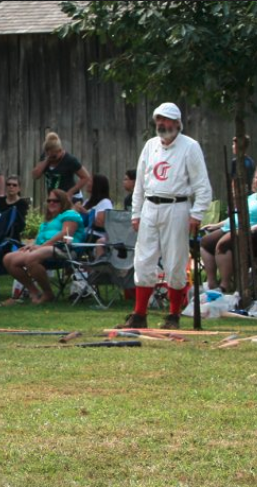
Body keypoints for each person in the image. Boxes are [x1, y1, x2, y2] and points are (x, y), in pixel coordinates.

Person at [120, 103, 212, 330]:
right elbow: (140, 183)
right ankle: (139, 314)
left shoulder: (190, 147)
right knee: (143, 260)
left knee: (175, 261)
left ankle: (173, 316)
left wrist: (197, 213)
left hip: (177, 206)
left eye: (167, 120)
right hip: (151, 206)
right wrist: (136, 213)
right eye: (159, 120)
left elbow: (202, 185)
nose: (162, 124)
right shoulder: (151, 146)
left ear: (177, 123)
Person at [0, 189, 83, 305]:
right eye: (49, 200)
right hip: (44, 250)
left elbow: (65, 233)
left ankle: (48, 293)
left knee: (31, 258)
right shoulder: (46, 222)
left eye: (55, 201)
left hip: (64, 250)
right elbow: (38, 240)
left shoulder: (70, 214)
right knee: (8, 258)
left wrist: (41, 247)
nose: (51, 203)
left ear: (63, 202)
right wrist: (31, 246)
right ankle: (34, 292)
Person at [200, 171, 257, 293]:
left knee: (223, 244)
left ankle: (225, 285)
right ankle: (211, 283)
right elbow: (235, 216)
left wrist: (253, 228)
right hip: (230, 227)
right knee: (205, 242)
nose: (254, 181)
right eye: (254, 177)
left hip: (248, 231)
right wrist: (216, 225)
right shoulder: (251, 197)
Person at [32, 132, 91, 200]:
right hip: (55, 199)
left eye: (54, 156)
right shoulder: (46, 157)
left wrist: (70, 192)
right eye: (48, 155)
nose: (51, 158)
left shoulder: (70, 160)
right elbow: (35, 175)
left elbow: (85, 177)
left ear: (60, 151)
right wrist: (47, 160)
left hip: (71, 198)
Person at [72, 174, 113, 242]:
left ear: (98, 185)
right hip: (83, 232)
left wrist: (87, 213)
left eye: (90, 181)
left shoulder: (105, 202)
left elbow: (102, 224)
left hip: (96, 235)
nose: (88, 184)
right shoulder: (87, 202)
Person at [0, 175, 29, 242]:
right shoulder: (0, 201)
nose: (11, 187)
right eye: (9, 184)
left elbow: (21, 225)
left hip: (13, 235)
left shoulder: (22, 203)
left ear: (19, 188)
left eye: (14, 185)